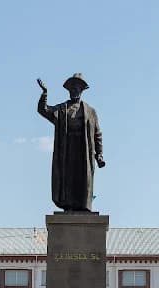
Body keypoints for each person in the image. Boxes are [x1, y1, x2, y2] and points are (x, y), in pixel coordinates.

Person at [37, 74, 105, 211]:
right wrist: (44, 94)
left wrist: (99, 154)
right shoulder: (62, 109)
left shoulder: (91, 112)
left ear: (82, 90)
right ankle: (68, 205)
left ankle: (83, 206)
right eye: (72, 88)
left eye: (77, 87)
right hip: (67, 149)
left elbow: (97, 134)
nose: (74, 90)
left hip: (84, 150)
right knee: (68, 177)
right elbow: (43, 110)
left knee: (83, 178)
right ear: (69, 90)